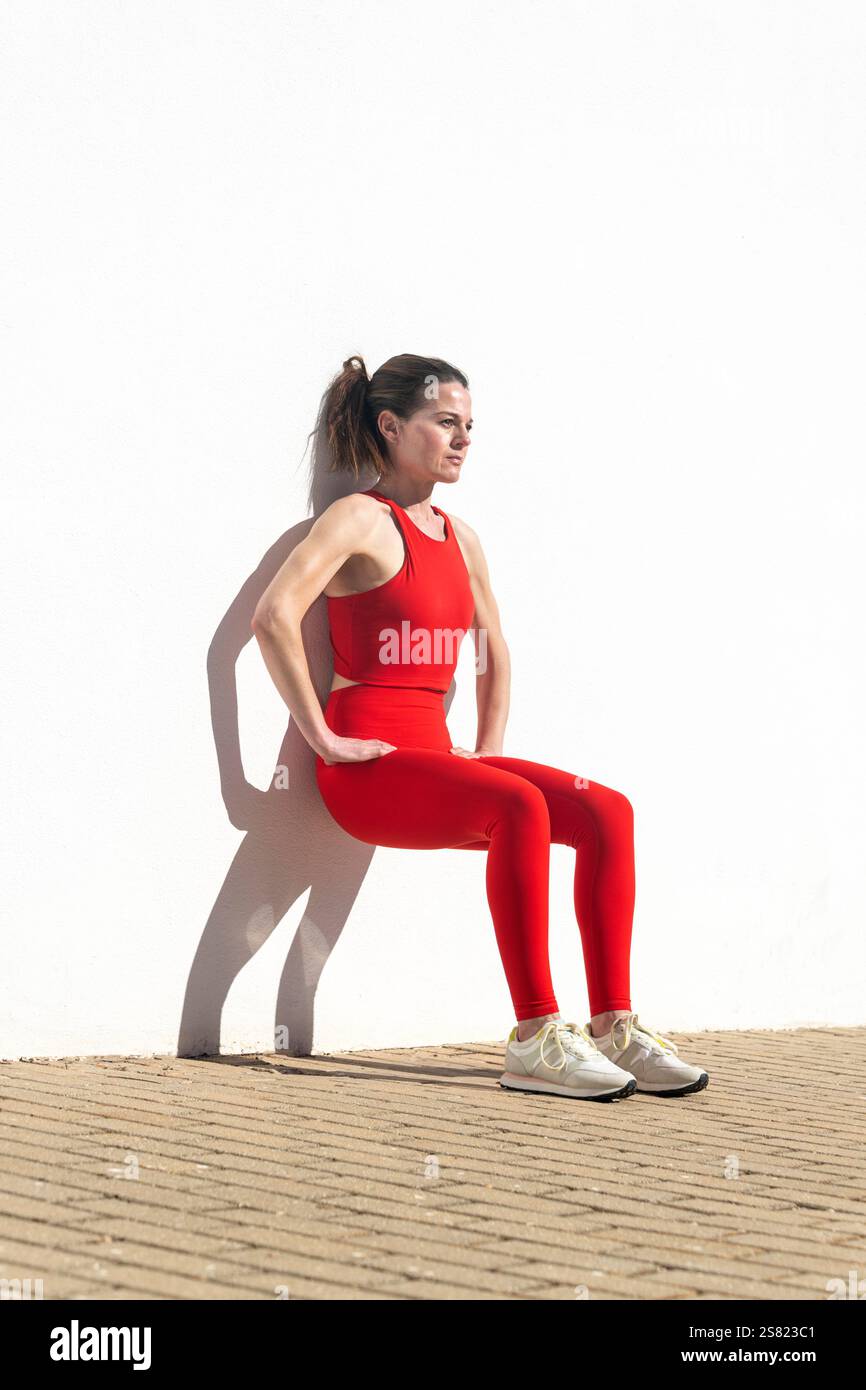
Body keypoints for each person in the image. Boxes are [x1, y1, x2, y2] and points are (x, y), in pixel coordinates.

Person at [251, 353, 709, 1101]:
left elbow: (493, 649)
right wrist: (321, 737)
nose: (462, 440)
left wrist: (488, 753)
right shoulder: (359, 518)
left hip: (434, 760)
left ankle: (613, 1025)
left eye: (469, 427)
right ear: (391, 426)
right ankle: (534, 1038)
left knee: (606, 811)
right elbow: (272, 615)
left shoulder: (461, 537)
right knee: (519, 805)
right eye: (445, 424)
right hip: (366, 767)